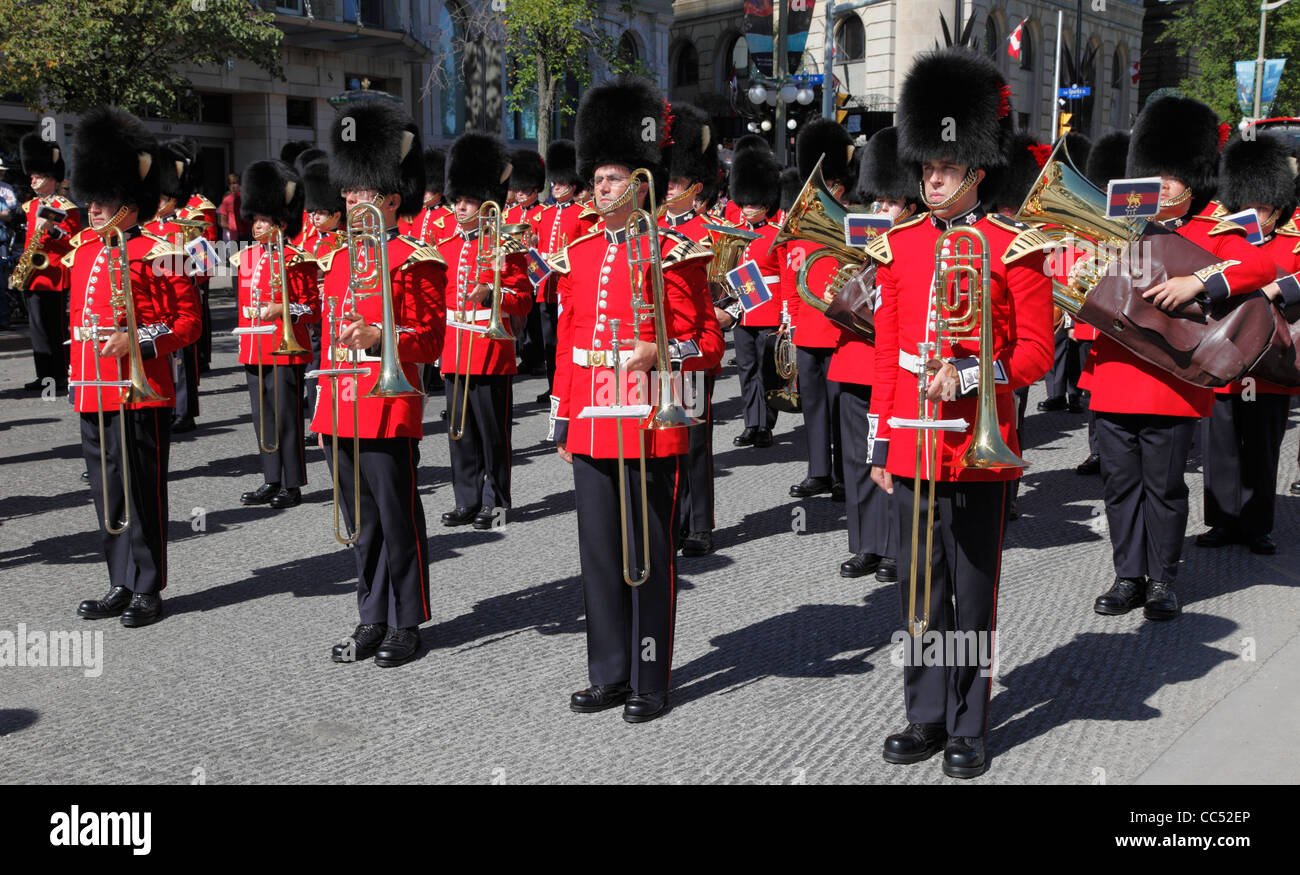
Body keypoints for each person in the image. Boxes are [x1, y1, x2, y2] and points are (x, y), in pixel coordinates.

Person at [867, 48, 1054, 778]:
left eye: (946, 165)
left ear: (977, 168)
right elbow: (887, 356)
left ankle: (970, 719)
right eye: (926, 165)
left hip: (979, 447)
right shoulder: (901, 247)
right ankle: (925, 711)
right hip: (914, 444)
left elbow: (1037, 351)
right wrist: (881, 445)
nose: (931, 176)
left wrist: (976, 372)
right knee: (920, 591)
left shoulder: (1014, 246)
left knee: (971, 595)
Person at [552, 76, 723, 724]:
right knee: (597, 555)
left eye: (614, 174)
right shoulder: (582, 250)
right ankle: (608, 672)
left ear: (644, 182)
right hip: (594, 417)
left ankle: (650, 676)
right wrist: (565, 419)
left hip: (653, 416)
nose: (601, 185)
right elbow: (571, 340)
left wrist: (663, 354)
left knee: (648, 557)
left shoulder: (676, 252)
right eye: (597, 175)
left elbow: (706, 340)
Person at [1084, 96, 1273, 623]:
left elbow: (1259, 263)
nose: (1160, 185)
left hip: (1173, 380)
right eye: (1153, 173)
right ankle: (1128, 575)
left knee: (1163, 486)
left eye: (1170, 175)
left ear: (1194, 176)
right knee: (1119, 484)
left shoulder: (1216, 224)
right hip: (1117, 372)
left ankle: (1163, 579)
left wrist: (1200, 279)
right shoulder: (1120, 220)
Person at [314, 98, 447, 668]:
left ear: (391, 197)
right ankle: (371, 615)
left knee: (396, 517)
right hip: (339, 405)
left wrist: (382, 341)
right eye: (346, 188)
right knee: (360, 522)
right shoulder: (338, 259)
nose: (348, 197)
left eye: (360, 189)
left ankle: (407, 619)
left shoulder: (416, 257)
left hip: (388, 404)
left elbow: (433, 340)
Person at [69, 105, 201, 628]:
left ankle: (147, 585)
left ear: (128, 200)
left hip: (139, 389)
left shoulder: (166, 249)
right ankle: (118, 581)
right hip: (91, 388)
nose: (92, 208)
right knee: (107, 493)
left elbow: (188, 323)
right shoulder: (81, 253)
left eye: (101, 199)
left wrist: (140, 342)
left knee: (143, 492)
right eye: (91, 197)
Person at [1194, 131, 1299, 555]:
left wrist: (1281, 289)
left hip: (1270, 359)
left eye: (1265, 207)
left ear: (1278, 205)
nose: (1257, 214)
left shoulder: (1294, 237)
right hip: (1225, 353)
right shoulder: (1223, 236)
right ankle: (1223, 521)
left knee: (1261, 446)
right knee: (1219, 444)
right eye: (1249, 205)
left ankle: (1257, 525)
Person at [436, 132, 531, 530]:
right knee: (460, 433)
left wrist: (492, 294)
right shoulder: (445, 244)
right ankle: (467, 500)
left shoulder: (506, 244)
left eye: (469, 201)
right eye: (457, 200)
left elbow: (523, 299)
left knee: (493, 435)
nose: (460, 207)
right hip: (455, 346)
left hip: (490, 350)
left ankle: (497, 501)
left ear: (486, 204)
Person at [834, 126, 914, 583]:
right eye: (878, 202)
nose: (880, 210)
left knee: (892, 459)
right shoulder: (864, 243)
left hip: (895, 371)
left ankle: (894, 547)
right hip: (854, 362)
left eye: (889, 203)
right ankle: (866, 543)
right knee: (858, 459)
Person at [233, 160, 319, 511]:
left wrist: (284, 309)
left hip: (285, 349)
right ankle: (271, 478)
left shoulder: (297, 259)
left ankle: (292, 483)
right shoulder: (246, 258)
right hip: (254, 346)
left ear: (281, 224)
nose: (256, 226)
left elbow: (312, 308)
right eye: (254, 220)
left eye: (264, 220)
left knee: (286, 419)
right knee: (263, 418)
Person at [659, 103, 722, 557]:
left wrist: (726, 316)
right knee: (666, 435)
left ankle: (699, 525)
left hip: (698, 346)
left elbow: (746, 288)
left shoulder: (713, 232)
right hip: (661, 349)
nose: (668, 190)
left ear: (694, 187)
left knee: (696, 438)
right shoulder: (651, 228)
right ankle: (671, 520)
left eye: (677, 183)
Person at [783, 119, 852, 502]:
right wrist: (791, 323)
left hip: (842, 331)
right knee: (813, 406)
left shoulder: (855, 225)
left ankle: (843, 473)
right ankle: (818, 471)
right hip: (808, 330)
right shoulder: (800, 229)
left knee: (842, 406)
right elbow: (792, 278)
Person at [1072, 132, 1130, 477]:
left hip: (1127, 317)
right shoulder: (1090, 221)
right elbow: (1075, 256)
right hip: (1091, 320)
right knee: (1095, 390)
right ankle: (1098, 451)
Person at [727, 142, 783, 452]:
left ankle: (766, 425)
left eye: (754, 202)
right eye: (745, 203)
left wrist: (786, 314)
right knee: (746, 369)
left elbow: (785, 276)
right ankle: (752, 422)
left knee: (766, 369)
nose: (748, 207)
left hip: (768, 309)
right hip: (742, 309)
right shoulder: (734, 232)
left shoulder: (776, 233)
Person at [144, 138, 203, 433]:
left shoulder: (187, 224)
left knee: (183, 357)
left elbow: (207, 266)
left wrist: (187, 262)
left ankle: (185, 409)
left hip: (179, 297)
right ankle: (167, 404)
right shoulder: (148, 227)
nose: (158, 202)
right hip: (155, 301)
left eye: (164, 197)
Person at [16, 131, 81, 392]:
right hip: (32, 272)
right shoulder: (31, 206)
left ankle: (60, 375)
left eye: (38, 174)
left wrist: (52, 229)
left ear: (51, 177)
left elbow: (73, 240)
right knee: (38, 330)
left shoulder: (65, 206)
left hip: (53, 274)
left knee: (54, 329)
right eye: (32, 174)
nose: (32, 178)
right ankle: (44, 375)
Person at [533, 139, 595, 402]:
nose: (556, 188)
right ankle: (552, 384)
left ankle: (571, 383)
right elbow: (537, 251)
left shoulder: (584, 215)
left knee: (569, 336)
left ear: (572, 185)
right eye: (555, 183)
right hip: (547, 284)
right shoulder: (544, 216)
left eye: (561, 183)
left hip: (571, 285)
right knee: (550, 341)